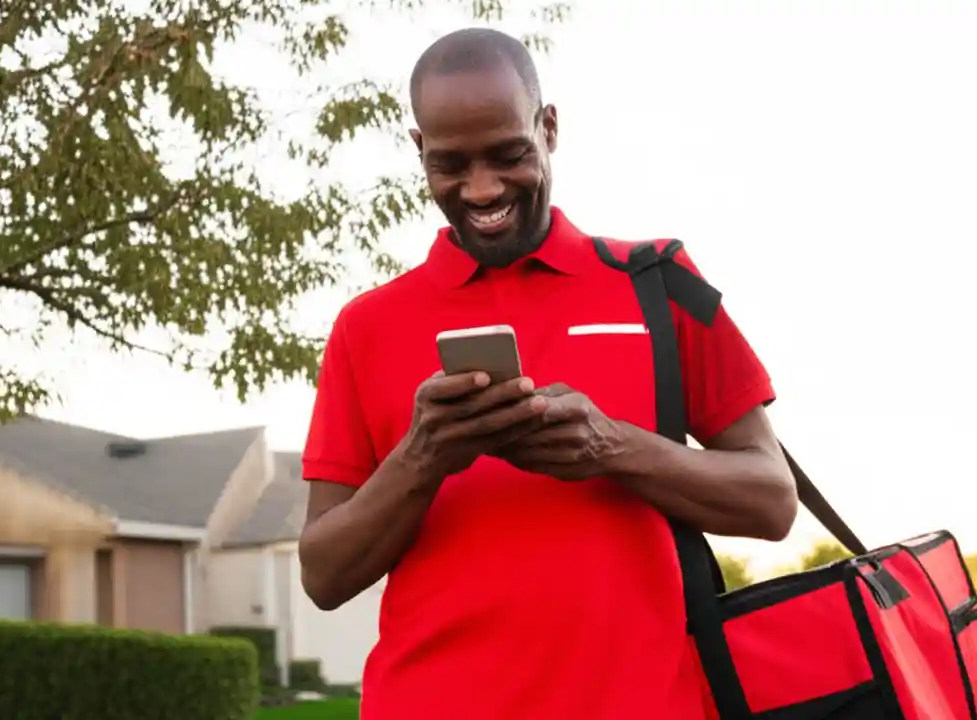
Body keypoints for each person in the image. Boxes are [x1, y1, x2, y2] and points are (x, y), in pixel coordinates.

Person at [297, 26, 797, 720]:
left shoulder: (658, 281)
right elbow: (321, 573)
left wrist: (610, 446)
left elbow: (773, 500)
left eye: (508, 155)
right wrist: (424, 457)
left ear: (549, 128)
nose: (481, 188)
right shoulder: (366, 326)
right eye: (450, 164)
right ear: (420, 152)